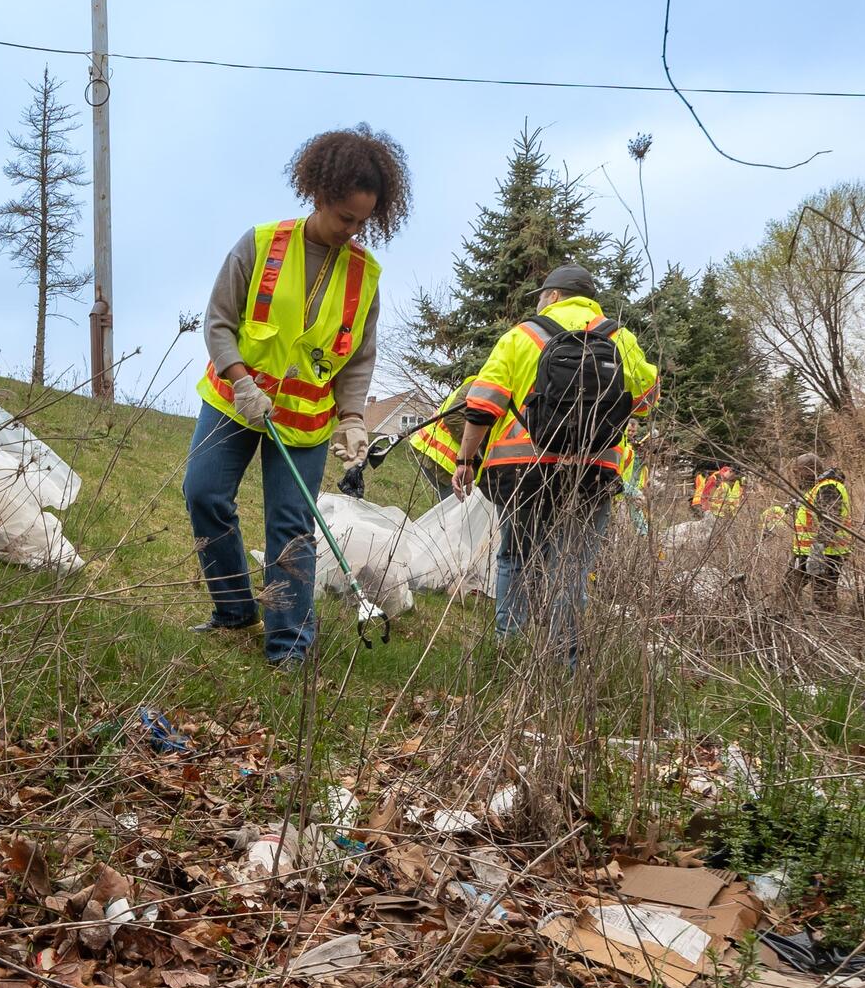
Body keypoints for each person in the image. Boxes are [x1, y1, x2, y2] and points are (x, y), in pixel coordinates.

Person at [184, 128, 411, 666]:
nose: (353, 231)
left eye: (363, 222)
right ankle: (235, 609)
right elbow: (219, 322)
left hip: (305, 421)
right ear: (320, 195)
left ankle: (289, 646)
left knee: (291, 526)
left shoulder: (365, 274)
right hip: (234, 402)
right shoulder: (261, 244)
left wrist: (353, 417)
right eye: (345, 218)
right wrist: (241, 380)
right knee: (204, 495)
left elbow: (358, 356)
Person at [450, 263, 660, 661]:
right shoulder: (621, 337)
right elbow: (647, 402)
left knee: (517, 557)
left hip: (522, 468)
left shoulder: (523, 334)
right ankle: (565, 661)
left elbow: (482, 404)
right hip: (594, 471)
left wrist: (465, 459)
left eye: (543, 295)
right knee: (572, 568)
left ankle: (509, 651)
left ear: (555, 295)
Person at [790, 451, 852, 610]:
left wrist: (817, 551)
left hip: (825, 553)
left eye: (798, 472)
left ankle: (834, 629)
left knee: (823, 598)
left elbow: (831, 521)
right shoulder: (817, 487)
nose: (797, 477)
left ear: (809, 470)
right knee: (789, 590)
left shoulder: (828, 487)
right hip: (808, 552)